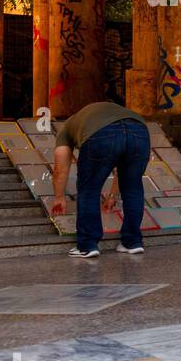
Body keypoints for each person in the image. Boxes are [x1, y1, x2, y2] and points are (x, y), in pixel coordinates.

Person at [49, 101, 151, 259]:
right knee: (133, 188)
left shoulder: (66, 128)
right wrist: (112, 196)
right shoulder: (95, 114)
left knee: (89, 189)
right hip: (140, 130)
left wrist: (59, 197)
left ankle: (87, 245)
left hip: (101, 134)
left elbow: (60, 169)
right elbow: (120, 170)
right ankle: (132, 242)